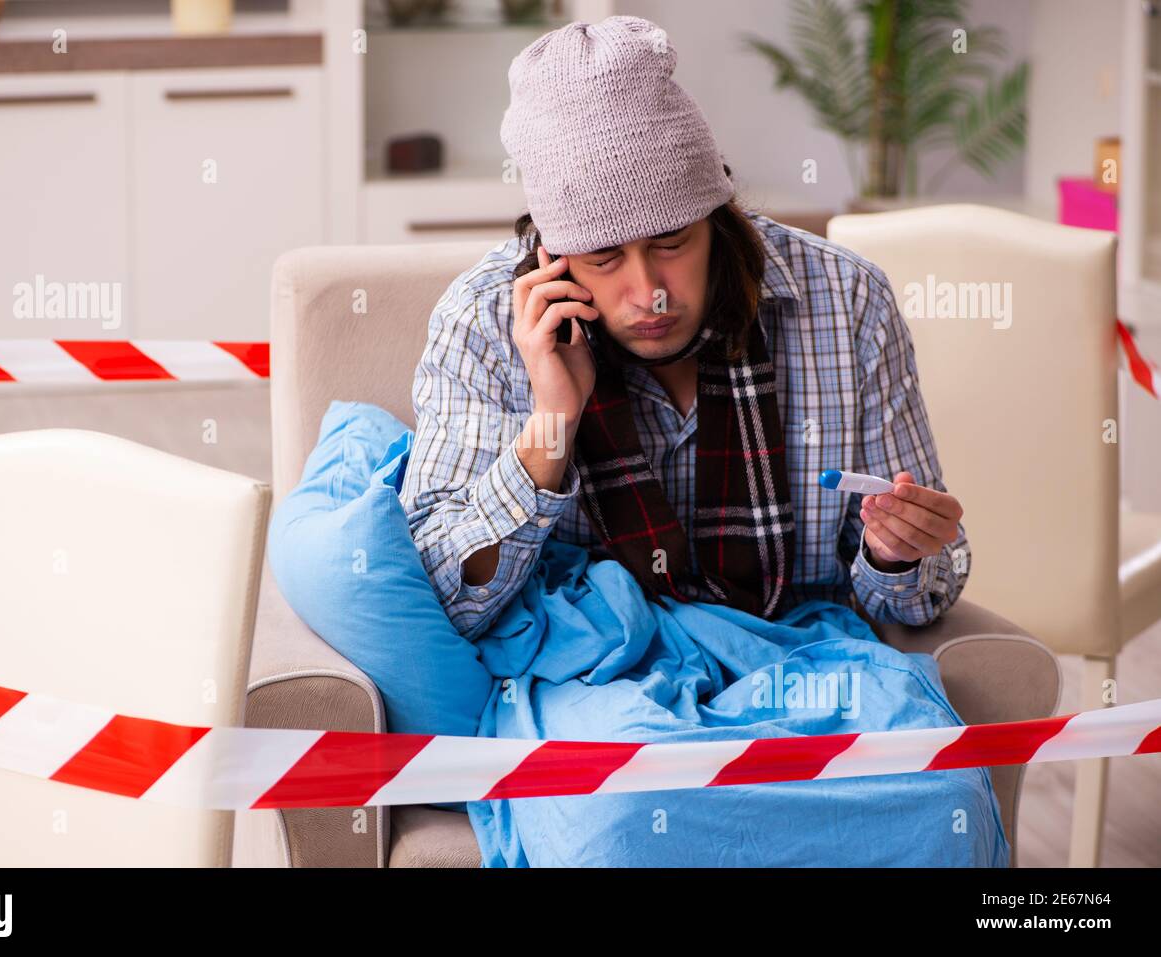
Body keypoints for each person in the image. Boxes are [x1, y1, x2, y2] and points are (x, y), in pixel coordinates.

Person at [399, 14, 969, 640]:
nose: (649, 294)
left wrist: (897, 553)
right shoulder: (482, 323)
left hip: (803, 654)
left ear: (716, 219)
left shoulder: (848, 298)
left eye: (672, 242)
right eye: (604, 257)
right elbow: (443, 609)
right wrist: (552, 424)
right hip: (596, 677)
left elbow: (924, 596)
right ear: (553, 259)